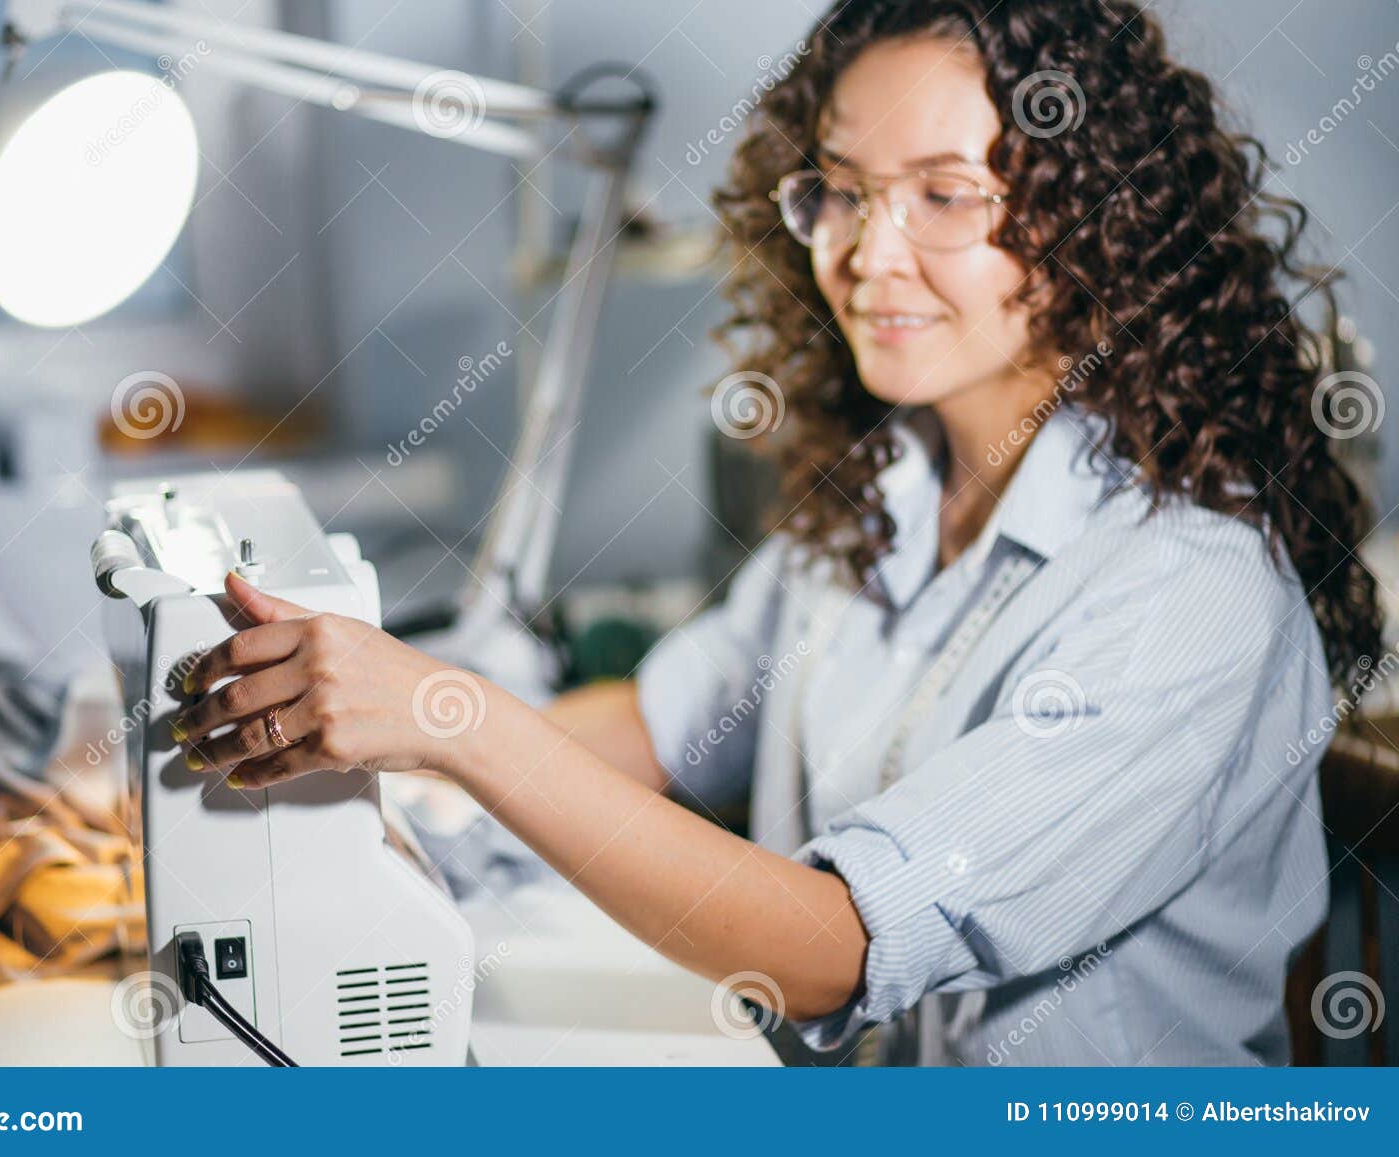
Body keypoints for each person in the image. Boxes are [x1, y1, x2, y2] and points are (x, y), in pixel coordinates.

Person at [168, 0, 1381, 1065]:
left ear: (1097, 221)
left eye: (944, 196)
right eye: (842, 191)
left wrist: (456, 719)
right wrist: (379, 744)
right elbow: (659, 724)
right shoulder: (879, 493)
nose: (867, 253)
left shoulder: (1191, 593)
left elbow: (836, 946)